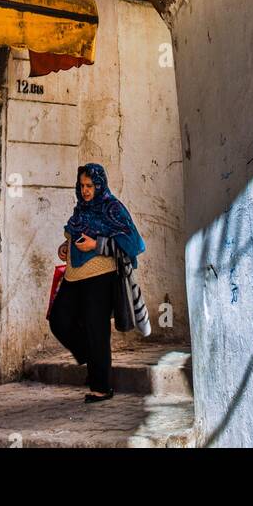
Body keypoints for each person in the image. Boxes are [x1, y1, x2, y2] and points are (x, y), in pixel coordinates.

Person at [48, 163, 145, 402]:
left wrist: (96, 245)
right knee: (59, 320)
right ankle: (93, 359)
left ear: (99, 185)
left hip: (101, 277)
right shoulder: (81, 209)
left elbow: (133, 244)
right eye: (82, 186)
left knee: (97, 330)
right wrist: (65, 247)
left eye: (90, 186)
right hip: (73, 275)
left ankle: (101, 387)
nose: (85, 191)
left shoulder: (112, 208)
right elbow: (74, 235)